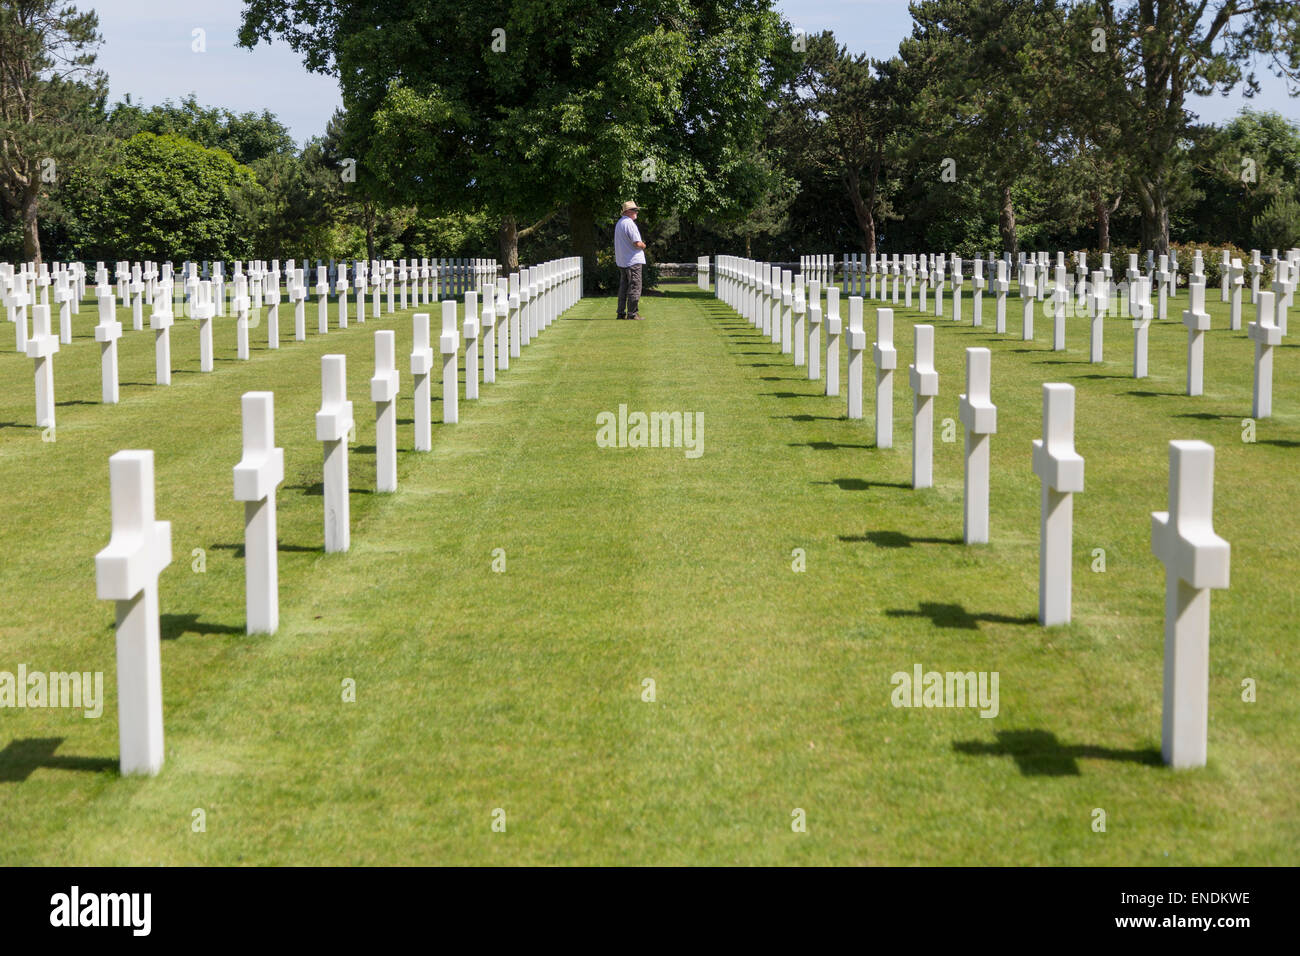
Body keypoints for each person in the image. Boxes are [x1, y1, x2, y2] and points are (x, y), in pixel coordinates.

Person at [614, 200, 647, 320]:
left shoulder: (620, 223)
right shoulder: (629, 224)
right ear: (627, 211)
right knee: (635, 287)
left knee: (623, 288)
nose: (636, 212)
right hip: (633, 260)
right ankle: (632, 313)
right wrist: (644, 245)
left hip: (623, 260)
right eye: (634, 210)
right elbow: (637, 243)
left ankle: (620, 312)